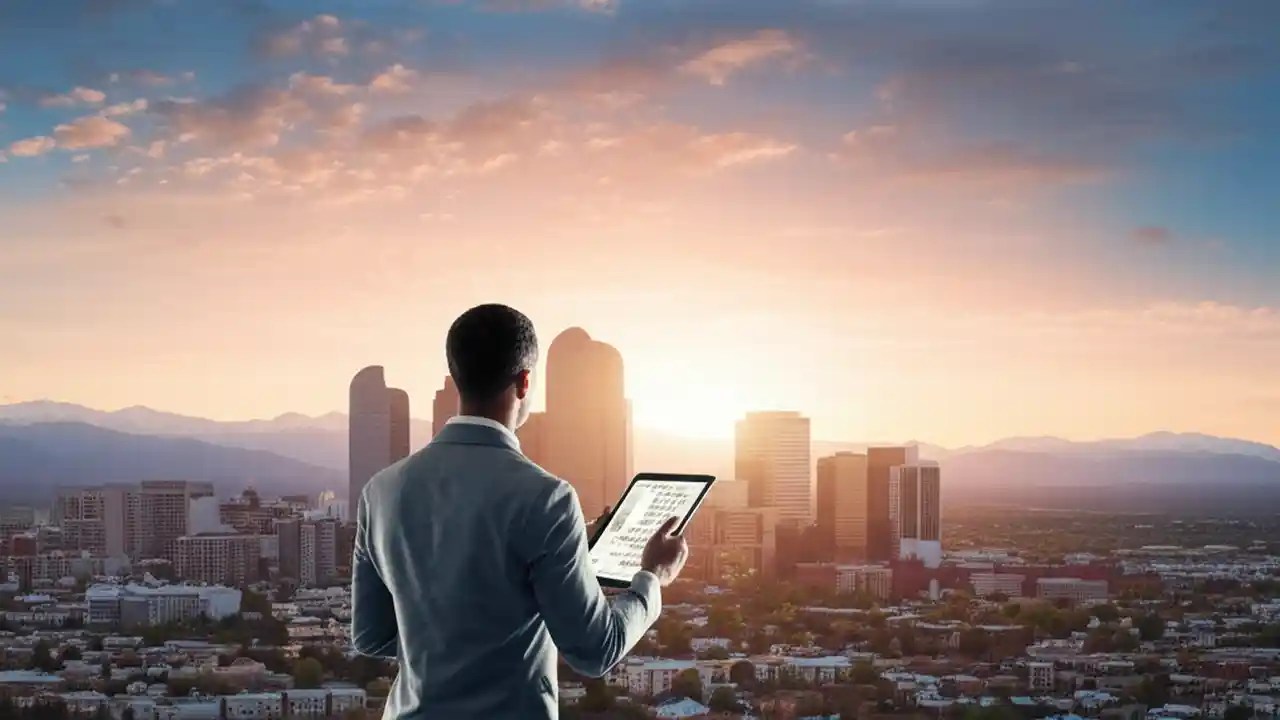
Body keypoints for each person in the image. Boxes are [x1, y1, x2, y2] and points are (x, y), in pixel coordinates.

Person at [351, 303, 688, 719]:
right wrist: (652, 578)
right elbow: (596, 650)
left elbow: (369, 635)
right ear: (525, 381)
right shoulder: (546, 498)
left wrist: (443, 645)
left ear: (458, 378)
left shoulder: (380, 491)